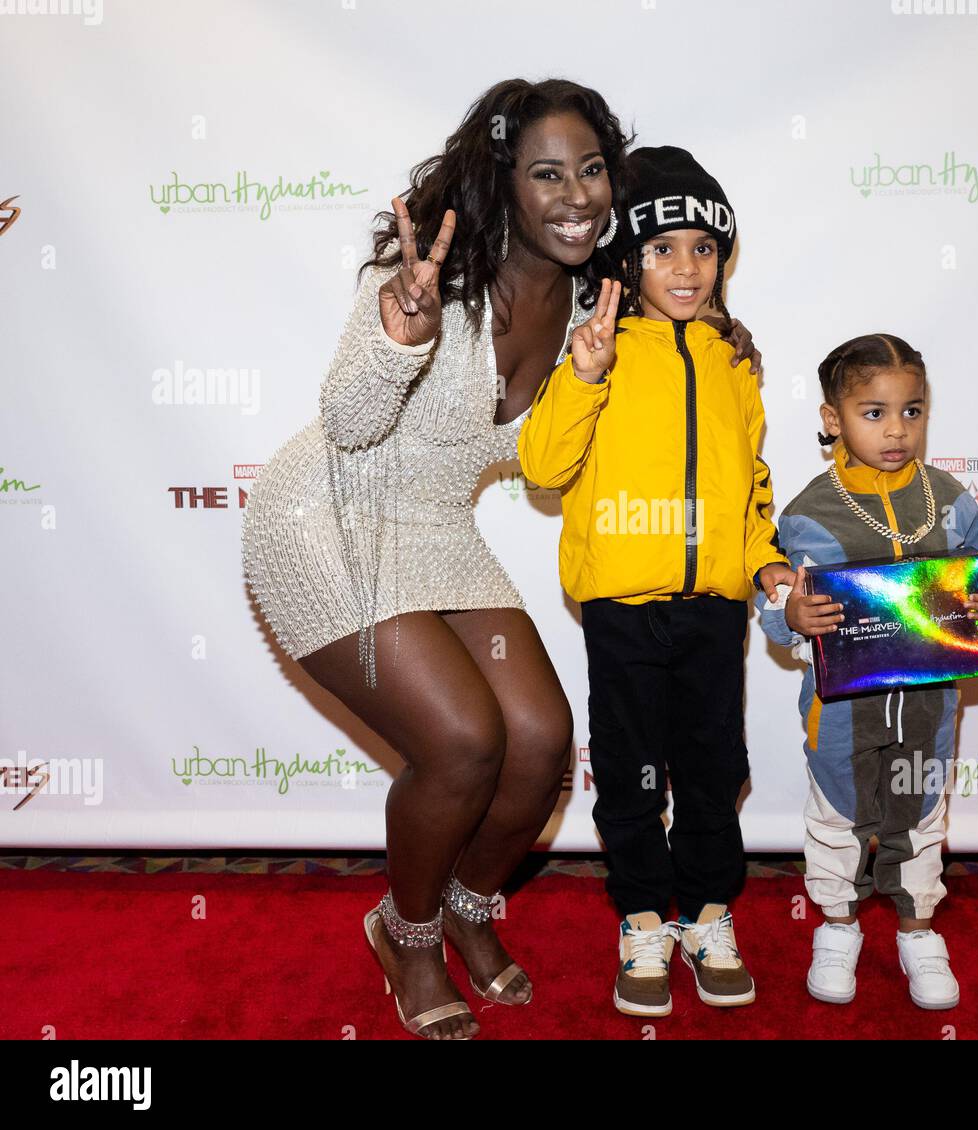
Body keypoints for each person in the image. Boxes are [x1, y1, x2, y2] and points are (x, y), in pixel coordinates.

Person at [240, 82, 764, 1040]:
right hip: (329, 515)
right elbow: (353, 425)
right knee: (465, 741)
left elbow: (597, 415)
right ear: (504, 181)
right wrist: (401, 335)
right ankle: (406, 931)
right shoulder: (430, 271)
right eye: (547, 174)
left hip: (438, 525)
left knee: (539, 745)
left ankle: (471, 906)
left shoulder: (592, 299)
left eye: (593, 170)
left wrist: (719, 329)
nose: (576, 195)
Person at [519, 146, 795, 1018]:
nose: (686, 267)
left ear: (723, 260)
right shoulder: (597, 350)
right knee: (634, 773)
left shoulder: (733, 362)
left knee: (715, 771)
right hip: (623, 611)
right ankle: (642, 918)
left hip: (716, 611)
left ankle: (709, 914)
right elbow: (542, 464)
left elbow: (749, 482)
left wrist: (764, 560)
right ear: (627, 261)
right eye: (663, 249)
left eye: (704, 249)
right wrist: (585, 374)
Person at [754, 333, 978, 1010]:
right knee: (837, 815)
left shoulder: (951, 499)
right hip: (839, 710)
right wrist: (793, 620)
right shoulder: (810, 511)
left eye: (912, 411)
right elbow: (777, 601)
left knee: (921, 812)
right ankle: (837, 925)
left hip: (929, 707)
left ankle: (918, 928)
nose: (896, 430)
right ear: (832, 419)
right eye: (874, 412)